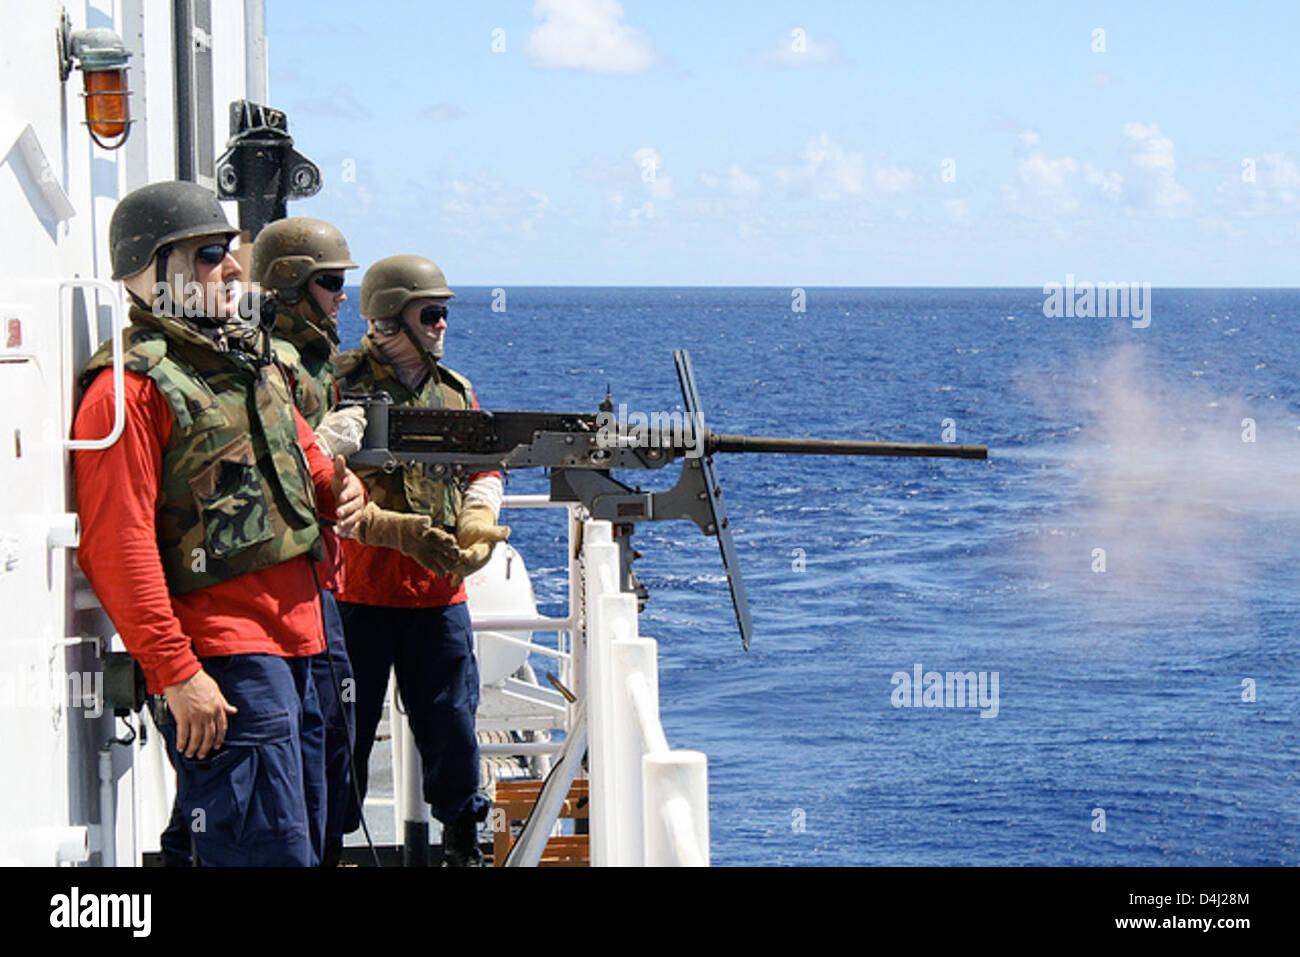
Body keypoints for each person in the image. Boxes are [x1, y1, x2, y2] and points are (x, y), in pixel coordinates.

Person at [73, 181, 367, 866]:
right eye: (210, 255)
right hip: (230, 660)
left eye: (231, 252)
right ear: (154, 273)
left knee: (309, 838)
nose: (234, 269)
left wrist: (336, 488)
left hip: (302, 644)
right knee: (267, 855)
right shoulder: (130, 390)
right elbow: (117, 545)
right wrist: (177, 671)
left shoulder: (243, 361)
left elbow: (301, 452)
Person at [335, 254, 509, 866]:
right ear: (389, 320)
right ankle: (324, 845)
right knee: (341, 739)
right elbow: (312, 473)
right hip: (355, 594)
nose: (440, 326)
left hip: (436, 597)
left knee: (454, 730)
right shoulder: (337, 386)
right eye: (429, 314)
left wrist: (479, 516)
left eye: (441, 315)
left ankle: (463, 844)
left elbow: (483, 465)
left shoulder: (454, 394)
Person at [250, 217, 365, 867]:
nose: (341, 296)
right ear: (292, 283)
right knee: (317, 732)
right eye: (330, 282)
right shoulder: (279, 363)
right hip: (296, 579)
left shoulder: (315, 357)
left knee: (326, 729)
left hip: (318, 573)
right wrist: (328, 452)